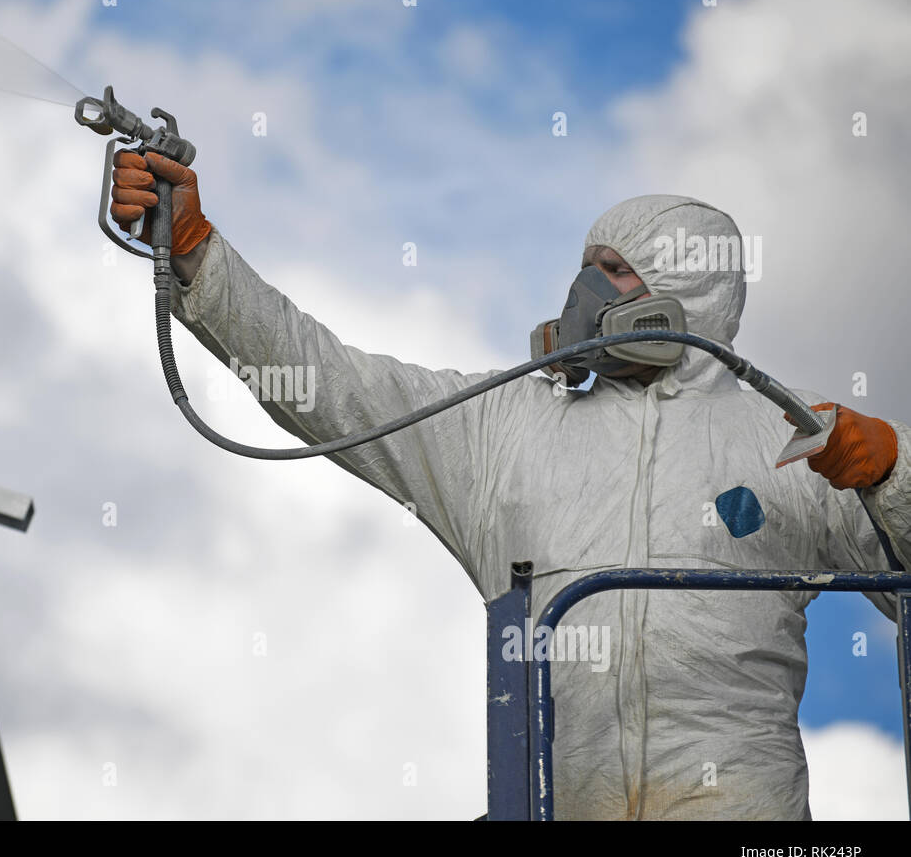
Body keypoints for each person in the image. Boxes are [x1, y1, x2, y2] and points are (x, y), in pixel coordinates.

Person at [108, 149, 909, 820]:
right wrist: (196, 251)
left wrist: (894, 476)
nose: (584, 293)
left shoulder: (798, 440)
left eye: (615, 271)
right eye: (584, 268)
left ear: (683, 298)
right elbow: (331, 381)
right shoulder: (502, 428)